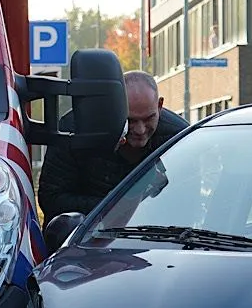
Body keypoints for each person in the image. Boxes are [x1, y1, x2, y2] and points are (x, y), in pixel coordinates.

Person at [38, 71, 189, 219]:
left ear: (160, 106)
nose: (140, 130)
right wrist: (116, 205)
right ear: (112, 108)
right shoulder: (74, 131)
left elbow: (189, 199)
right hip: (82, 237)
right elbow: (51, 199)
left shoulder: (180, 138)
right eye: (130, 120)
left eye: (149, 118)